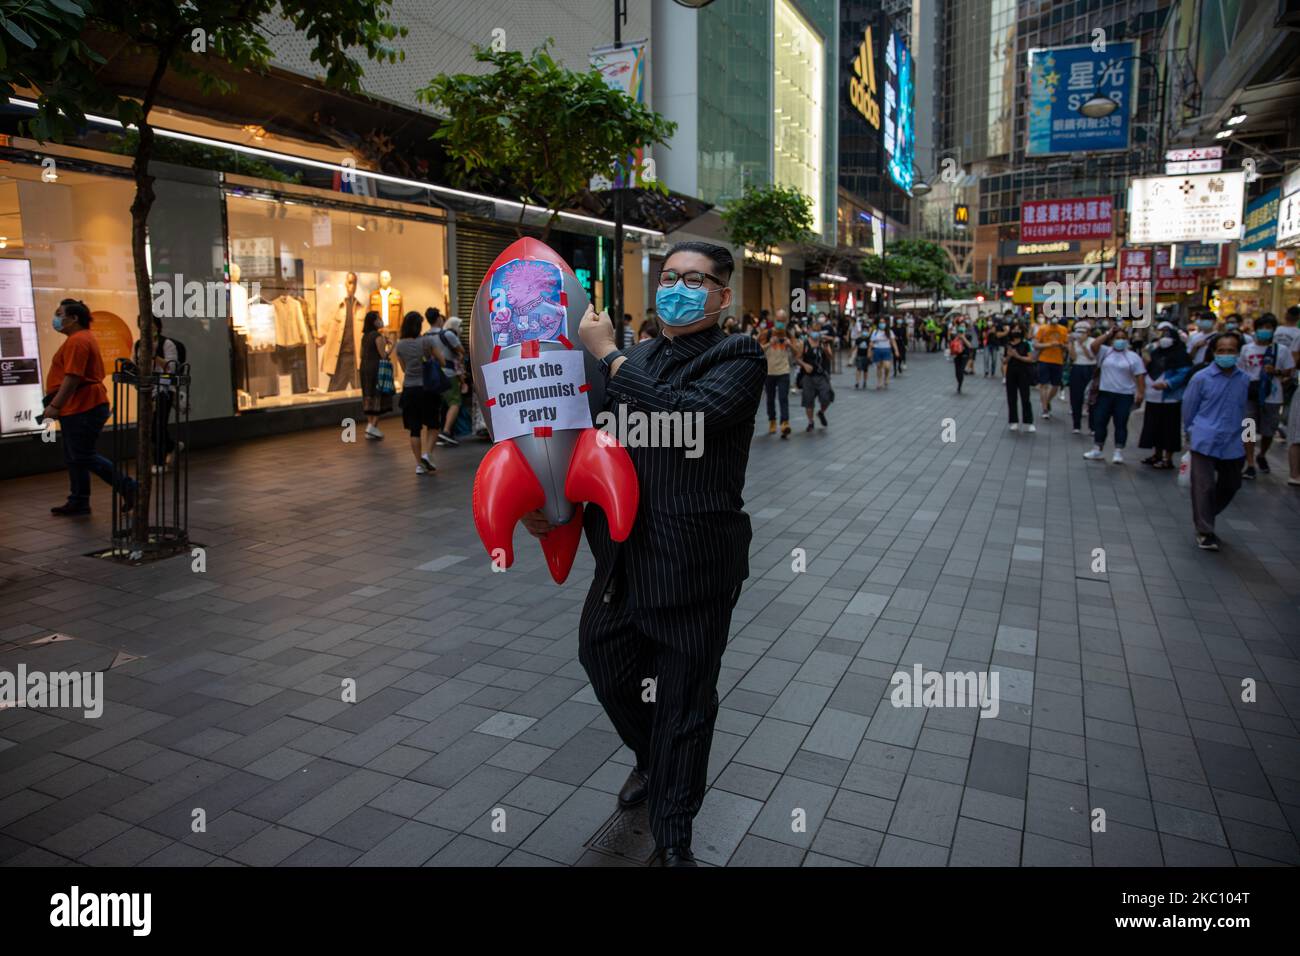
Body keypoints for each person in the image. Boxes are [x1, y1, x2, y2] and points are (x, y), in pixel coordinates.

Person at [523, 240, 764, 866]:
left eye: (694, 279)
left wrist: (609, 356)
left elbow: (692, 418)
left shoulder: (737, 354)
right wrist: (550, 506)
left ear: (721, 295)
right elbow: (593, 446)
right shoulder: (640, 355)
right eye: (668, 277)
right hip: (622, 557)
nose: (677, 288)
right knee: (602, 658)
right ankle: (655, 760)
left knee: (682, 702)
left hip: (692, 561)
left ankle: (674, 839)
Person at [42, 299, 137, 515]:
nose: (56, 319)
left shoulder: (78, 341)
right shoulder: (79, 339)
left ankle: (130, 487)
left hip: (83, 406)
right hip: (78, 406)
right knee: (74, 455)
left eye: (59, 314)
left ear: (74, 318)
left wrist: (56, 405)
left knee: (82, 455)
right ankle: (79, 500)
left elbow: (73, 377)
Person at [1183, 332, 1250, 549]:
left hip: (1233, 441)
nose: (1226, 355)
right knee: (1203, 486)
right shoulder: (1201, 378)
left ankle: (1206, 514)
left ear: (1238, 353)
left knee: (1232, 484)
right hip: (1204, 438)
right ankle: (1205, 530)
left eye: (1231, 351)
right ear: (1213, 353)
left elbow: (1246, 412)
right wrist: (1190, 432)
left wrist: (1249, 447)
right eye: (1221, 351)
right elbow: (1189, 408)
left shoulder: (1244, 380)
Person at [1238, 313, 1295, 478]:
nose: (1264, 331)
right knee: (1248, 429)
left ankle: (1261, 454)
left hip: (1272, 396)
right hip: (1250, 395)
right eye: (1262, 328)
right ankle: (1249, 463)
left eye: (1268, 328)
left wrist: (1276, 371)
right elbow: (1241, 370)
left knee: (1268, 431)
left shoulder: (1281, 350)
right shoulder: (1246, 349)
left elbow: (1289, 372)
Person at [1083, 324, 1146, 464]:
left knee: (1121, 423)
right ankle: (1097, 449)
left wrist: (1141, 392)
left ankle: (1118, 451)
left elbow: (1140, 375)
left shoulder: (1133, 357)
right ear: (1112, 340)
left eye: (1123, 338)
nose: (1120, 341)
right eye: (1117, 338)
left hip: (1124, 395)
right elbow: (1094, 345)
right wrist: (1109, 332)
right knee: (1100, 421)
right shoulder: (1105, 352)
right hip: (1105, 393)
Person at [1137, 322, 1193, 469]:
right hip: (1153, 396)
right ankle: (1157, 454)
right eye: (1163, 336)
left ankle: (1168, 458)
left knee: (1169, 429)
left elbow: (1184, 373)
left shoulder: (1181, 356)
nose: (1165, 339)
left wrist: (1168, 383)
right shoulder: (1155, 352)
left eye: (1168, 336)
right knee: (1154, 426)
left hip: (1170, 397)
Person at [394, 310, 439, 474]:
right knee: (433, 423)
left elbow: (404, 368)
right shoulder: (426, 342)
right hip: (427, 388)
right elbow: (440, 360)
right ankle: (428, 454)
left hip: (410, 389)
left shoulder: (400, 345)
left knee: (414, 428)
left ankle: (419, 464)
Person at [431, 314, 466, 447]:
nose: (461, 329)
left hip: (434, 375)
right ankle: (446, 431)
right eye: (459, 326)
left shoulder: (427, 336)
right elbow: (461, 352)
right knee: (455, 402)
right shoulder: (449, 335)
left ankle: (443, 431)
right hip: (449, 373)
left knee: (444, 404)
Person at [359, 310, 393, 439]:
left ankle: (371, 427)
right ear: (374, 322)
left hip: (364, 368)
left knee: (368, 395)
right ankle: (372, 426)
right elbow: (383, 355)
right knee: (379, 395)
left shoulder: (365, 336)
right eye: (379, 318)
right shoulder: (377, 336)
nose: (381, 320)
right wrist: (392, 346)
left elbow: (361, 354)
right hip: (376, 368)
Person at [758, 317, 792, 437]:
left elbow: (798, 351)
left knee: (783, 398)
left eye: (783, 320)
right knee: (770, 399)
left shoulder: (787, 334)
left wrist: (789, 345)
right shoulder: (766, 334)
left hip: (784, 371)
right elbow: (758, 349)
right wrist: (769, 343)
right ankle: (772, 421)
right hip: (770, 373)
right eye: (778, 320)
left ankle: (785, 423)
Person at [798, 326, 834, 430]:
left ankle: (821, 412)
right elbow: (797, 358)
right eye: (814, 330)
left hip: (821, 375)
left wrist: (826, 350)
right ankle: (810, 422)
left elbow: (830, 357)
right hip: (808, 377)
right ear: (809, 331)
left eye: (818, 331)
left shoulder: (823, 342)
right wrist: (804, 365)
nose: (816, 333)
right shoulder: (804, 343)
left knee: (826, 398)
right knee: (808, 401)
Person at [1034, 315, 1068, 420]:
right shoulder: (1043, 328)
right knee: (1043, 385)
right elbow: (1036, 345)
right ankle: (1045, 409)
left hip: (1058, 361)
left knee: (1056, 385)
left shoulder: (1063, 330)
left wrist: (1062, 346)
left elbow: (1067, 345)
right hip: (1044, 359)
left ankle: (1047, 401)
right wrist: (1049, 344)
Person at [1003, 324, 1036, 432]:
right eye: (1014, 329)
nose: (1016, 331)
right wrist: (1009, 356)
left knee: (1025, 397)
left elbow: (1031, 358)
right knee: (1011, 398)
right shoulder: (1008, 345)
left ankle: (1028, 422)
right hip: (1011, 373)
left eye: (1018, 329)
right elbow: (1004, 361)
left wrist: (1018, 356)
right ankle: (1013, 421)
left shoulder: (1026, 344)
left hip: (1024, 373)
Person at [1066, 320, 1096, 435]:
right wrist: (1071, 344)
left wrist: (1083, 345)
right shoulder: (1073, 342)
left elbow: (1091, 357)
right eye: (1078, 332)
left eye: (1083, 332)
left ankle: (1092, 426)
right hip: (1077, 368)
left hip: (1090, 368)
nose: (1080, 335)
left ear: (1088, 333)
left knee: (1092, 398)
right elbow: (1073, 357)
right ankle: (1076, 425)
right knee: (1076, 397)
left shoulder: (1092, 342)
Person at [870, 317, 895, 390]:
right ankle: (879, 382)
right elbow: (871, 341)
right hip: (877, 349)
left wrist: (896, 350)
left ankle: (886, 377)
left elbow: (893, 341)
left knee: (887, 366)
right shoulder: (875, 332)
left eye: (883, 322)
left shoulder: (889, 332)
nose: (882, 324)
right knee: (879, 367)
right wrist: (870, 349)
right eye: (880, 322)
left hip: (886, 349)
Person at [950, 321, 975, 394]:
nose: (962, 327)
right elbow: (952, 344)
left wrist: (963, 337)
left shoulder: (968, 335)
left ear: (966, 328)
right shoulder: (955, 335)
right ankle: (959, 382)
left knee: (961, 371)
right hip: (957, 355)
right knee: (957, 373)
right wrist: (957, 337)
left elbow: (970, 345)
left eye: (963, 326)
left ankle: (959, 385)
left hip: (965, 355)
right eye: (961, 326)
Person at [852, 321, 872, 389]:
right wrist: (852, 354)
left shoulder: (869, 340)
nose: (865, 332)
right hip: (859, 355)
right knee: (858, 369)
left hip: (866, 356)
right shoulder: (858, 339)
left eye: (866, 331)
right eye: (864, 330)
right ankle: (857, 382)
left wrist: (870, 355)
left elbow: (870, 348)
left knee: (865, 370)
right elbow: (855, 347)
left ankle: (865, 382)